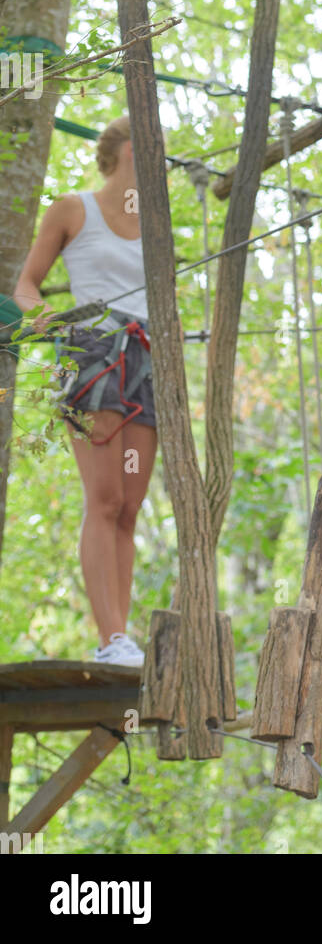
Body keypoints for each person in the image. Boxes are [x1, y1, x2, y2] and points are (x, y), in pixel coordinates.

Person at [14, 115, 154, 667]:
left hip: (144, 356)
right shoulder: (75, 209)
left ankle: (125, 639)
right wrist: (50, 321)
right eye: (153, 149)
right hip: (91, 351)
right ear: (126, 151)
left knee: (132, 507)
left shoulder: (156, 225)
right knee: (105, 498)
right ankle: (110, 639)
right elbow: (26, 285)